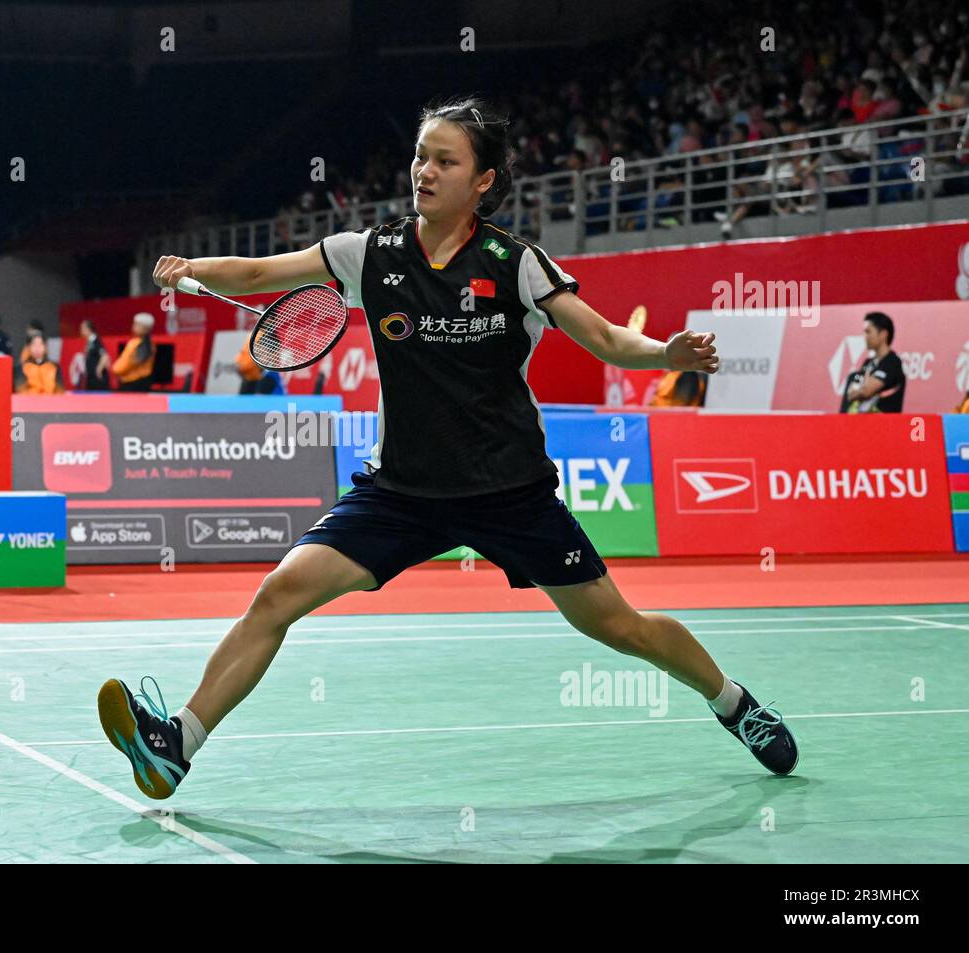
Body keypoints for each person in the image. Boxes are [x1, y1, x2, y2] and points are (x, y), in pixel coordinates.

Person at [95, 95, 798, 800]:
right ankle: (174, 745)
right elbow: (257, 275)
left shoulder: (517, 264)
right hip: (401, 493)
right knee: (279, 595)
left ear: (483, 179)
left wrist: (665, 351)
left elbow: (608, 339)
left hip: (509, 493)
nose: (424, 171)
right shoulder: (369, 253)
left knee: (619, 627)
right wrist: (190, 271)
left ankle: (733, 702)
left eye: (445, 160)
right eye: (420, 156)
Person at [840, 311, 905, 413]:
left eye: (868, 331)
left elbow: (866, 391)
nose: (865, 336)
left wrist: (860, 390)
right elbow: (851, 392)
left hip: (885, 425)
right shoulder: (868, 362)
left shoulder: (892, 362)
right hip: (863, 423)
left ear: (883, 334)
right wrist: (859, 389)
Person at [112, 312, 156, 391]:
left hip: (132, 384)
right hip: (142, 383)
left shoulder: (137, 344)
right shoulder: (149, 344)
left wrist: (116, 369)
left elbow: (127, 363)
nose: (133, 326)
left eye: (137, 324)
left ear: (145, 328)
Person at [79, 320, 112, 390]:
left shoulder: (96, 341)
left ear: (88, 329)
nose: (80, 331)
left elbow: (105, 356)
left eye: (82, 328)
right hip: (91, 377)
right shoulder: (89, 342)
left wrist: (99, 369)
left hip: (98, 379)